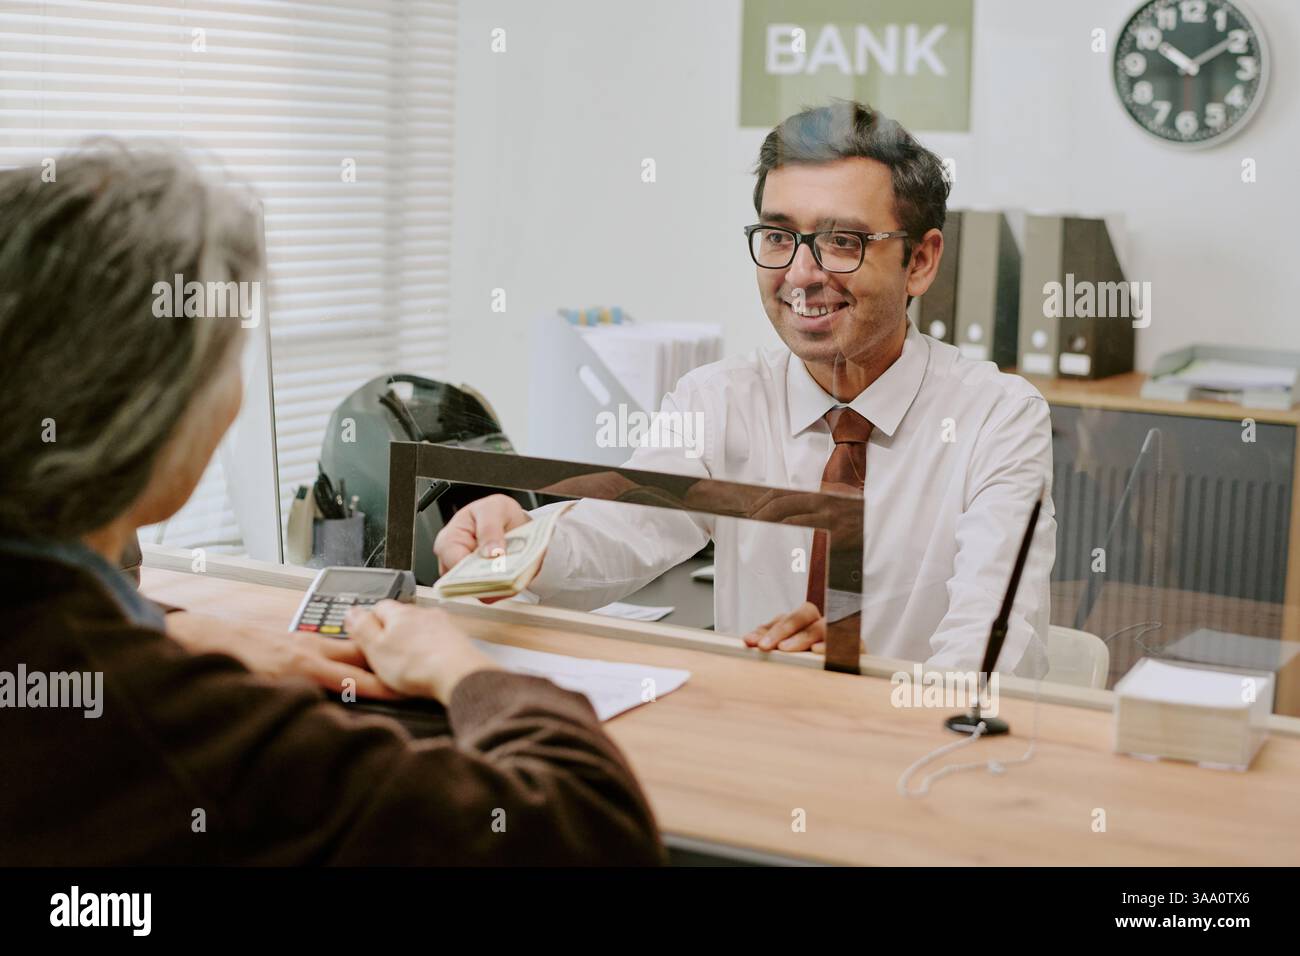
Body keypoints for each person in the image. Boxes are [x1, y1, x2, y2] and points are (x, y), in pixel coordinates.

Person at [0, 143, 664, 866]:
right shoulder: (184, 728)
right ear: (155, 416)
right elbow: (591, 831)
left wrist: (171, 630)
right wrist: (463, 671)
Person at [435, 101, 1055, 676]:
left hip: (919, 759)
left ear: (919, 262)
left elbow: (996, 638)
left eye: (843, 241)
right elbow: (624, 531)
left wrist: (870, 680)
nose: (802, 275)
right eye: (780, 237)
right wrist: (518, 548)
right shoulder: (719, 399)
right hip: (752, 736)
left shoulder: (998, 417)